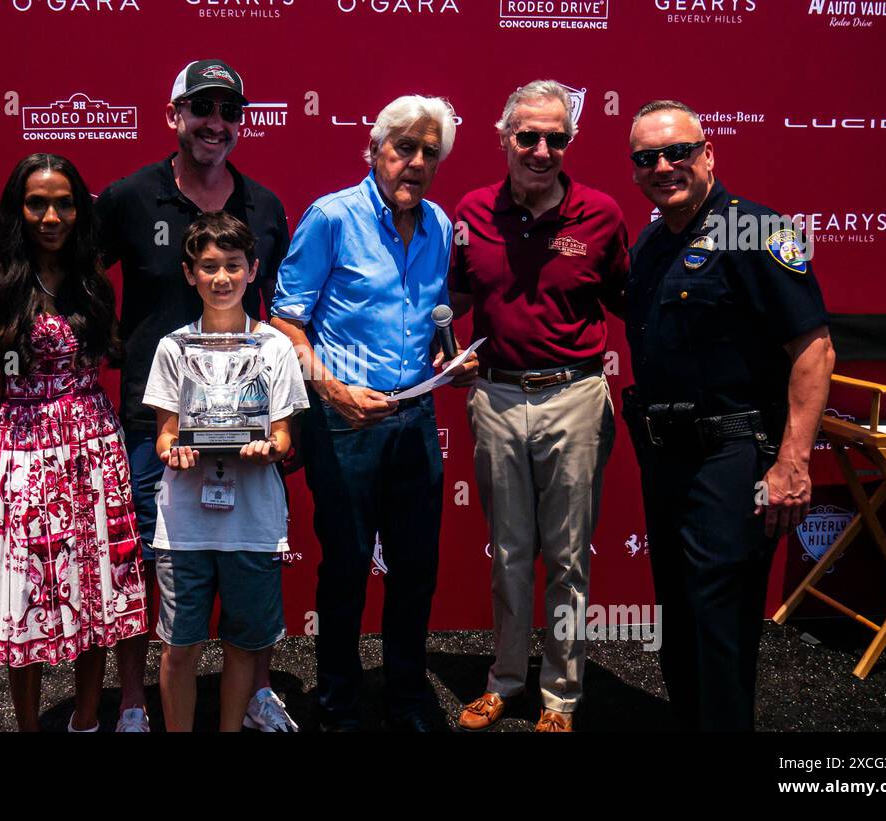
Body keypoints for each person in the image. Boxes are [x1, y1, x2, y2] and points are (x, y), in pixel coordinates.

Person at [0, 60, 298, 731]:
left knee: (251, 560)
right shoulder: (128, 198)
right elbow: (65, 270)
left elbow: (279, 304)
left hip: (247, 420)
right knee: (138, 564)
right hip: (155, 424)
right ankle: (136, 699)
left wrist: (311, 360)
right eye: (201, 108)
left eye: (229, 111)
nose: (215, 123)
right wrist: (1, 342)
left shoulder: (264, 205)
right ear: (173, 116)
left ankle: (256, 690)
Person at [624, 101, 834, 731]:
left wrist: (792, 460)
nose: (663, 166)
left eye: (677, 152)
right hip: (668, 459)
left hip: (733, 456)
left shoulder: (761, 233)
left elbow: (814, 348)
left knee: (721, 624)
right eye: (646, 158)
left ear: (707, 153)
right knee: (679, 618)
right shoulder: (653, 242)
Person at [271, 95, 477, 732]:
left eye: (429, 152)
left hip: (413, 421)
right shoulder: (332, 217)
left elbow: (433, 319)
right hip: (345, 422)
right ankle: (337, 705)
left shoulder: (440, 224)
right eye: (404, 148)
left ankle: (408, 698)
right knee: (347, 571)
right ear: (376, 149)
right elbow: (283, 323)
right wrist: (331, 392)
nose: (415, 162)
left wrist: (451, 361)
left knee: (415, 570)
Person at [449, 81, 628, 733]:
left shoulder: (602, 214)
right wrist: (445, 354)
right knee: (509, 551)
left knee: (569, 554)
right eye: (528, 136)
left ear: (570, 143)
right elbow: (450, 301)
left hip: (575, 394)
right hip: (495, 395)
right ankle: (504, 679)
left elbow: (629, 296)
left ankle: (560, 694)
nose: (542, 149)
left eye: (556, 137)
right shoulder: (469, 212)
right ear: (504, 138)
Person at [0, 153, 147, 732]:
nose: (51, 215)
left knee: (97, 595)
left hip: (95, 448)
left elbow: (112, 350)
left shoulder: (94, 281)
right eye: (37, 202)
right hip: (21, 452)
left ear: (79, 208)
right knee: (26, 599)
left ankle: (87, 721)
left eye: (64, 202)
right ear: (17, 210)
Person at [142, 212, 307, 731]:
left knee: (243, 645)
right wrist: (173, 451)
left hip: (252, 524)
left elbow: (283, 436)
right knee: (180, 646)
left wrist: (271, 449)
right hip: (185, 525)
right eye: (208, 266)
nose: (221, 278)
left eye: (233, 266)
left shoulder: (276, 347)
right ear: (189, 273)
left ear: (253, 269)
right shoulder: (172, 347)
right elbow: (166, 433)